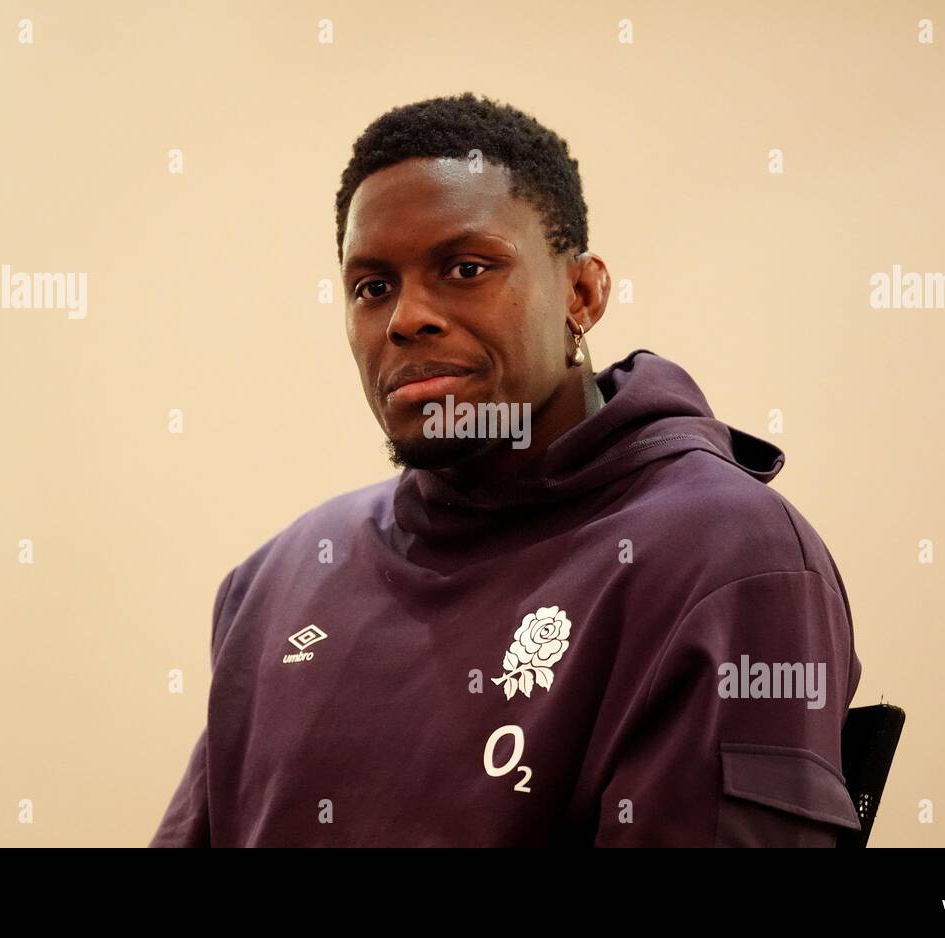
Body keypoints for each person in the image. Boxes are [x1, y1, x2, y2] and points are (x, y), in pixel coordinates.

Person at [149, 92, 862, 847]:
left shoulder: (722, 555)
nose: (405, 318)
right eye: (372, 287)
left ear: (582, 294)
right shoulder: (275, 581)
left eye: (464, 267)